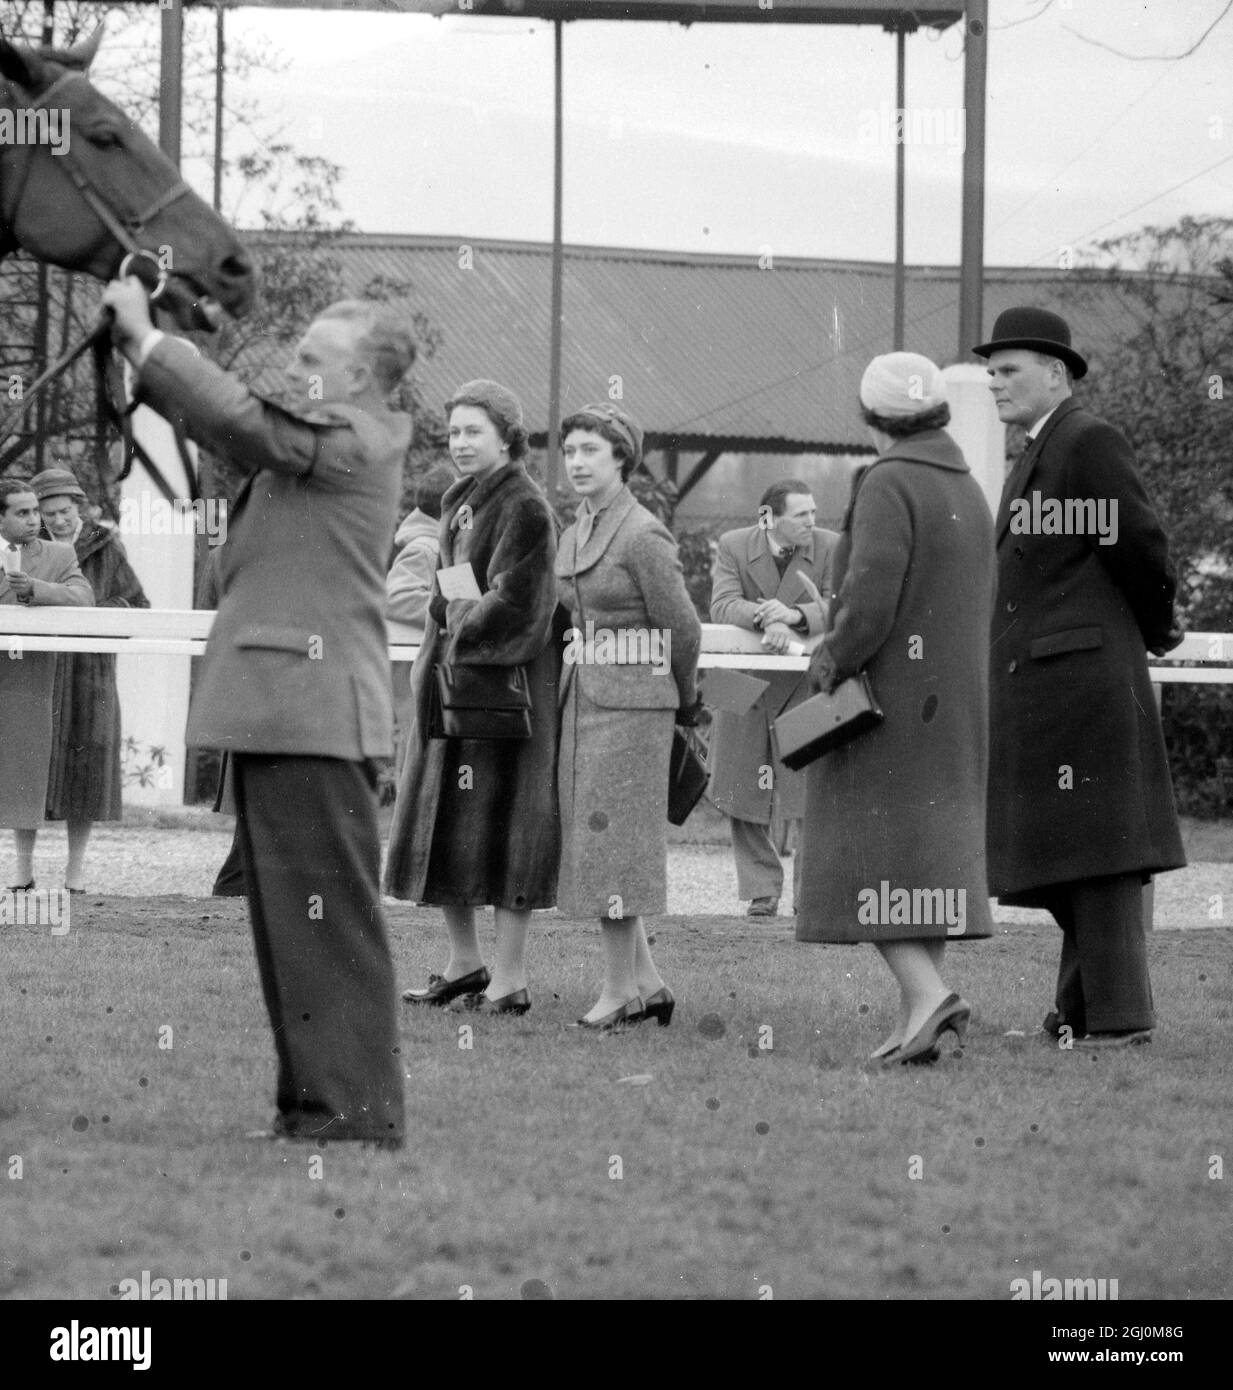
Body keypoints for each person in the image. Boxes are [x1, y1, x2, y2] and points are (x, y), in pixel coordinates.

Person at [102, 279, 414, 1146]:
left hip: (315, 714)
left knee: (327, 927)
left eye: (313, 359)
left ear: (362, 376)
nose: (295, 368)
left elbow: (241, 420)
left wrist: (150, 344)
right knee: (291, 930)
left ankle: (353, 1114)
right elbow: (234, 417)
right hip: (292, 711)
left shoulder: (357, 434)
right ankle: (315, 1109)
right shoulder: (328, 435)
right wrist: (150, 347)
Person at [974, 306, 1185, 1049]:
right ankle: (1082, 1011)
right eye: (990, 372)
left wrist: (1156, 632)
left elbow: (1137, 544)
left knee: (1095, 856)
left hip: (1082, 681)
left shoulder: (1083, 440)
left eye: (1009, 370)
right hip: (1048, 681)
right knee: (1076, 852)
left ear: (1055, 373)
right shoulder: (1039, 446)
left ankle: (1120, 1020)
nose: (994, 383)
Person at [796, 353, 994, 1065]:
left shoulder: (886, 483)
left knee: (866, 853)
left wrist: (827, 662)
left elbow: (868, 603)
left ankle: (929, 996)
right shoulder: (966, 486)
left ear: (869, 416)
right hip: (954, 705)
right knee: (924, 865)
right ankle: (919, 1008)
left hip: (886, 707)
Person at [384, 381, 560, 1017]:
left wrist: (452, 609)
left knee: (507, 834)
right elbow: (454, 587)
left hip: (502, 697)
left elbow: (521, 609)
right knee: (447, 830)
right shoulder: (461, 501)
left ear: (507, 437)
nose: (459, 443)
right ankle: (464, 966)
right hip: (453, 688)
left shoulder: (526, 508)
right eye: (453, 432)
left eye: (473, 432)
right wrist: (447, 605)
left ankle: (510, 981)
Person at [555, 402, 702, 1031]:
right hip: (583, 703)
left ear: (622, 459)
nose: (578, 462)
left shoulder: (642, 533)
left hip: (635, 712)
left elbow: (684, 627)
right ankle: (648, 984)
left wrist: (686, 701)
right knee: (596, 847)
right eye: (571, 451)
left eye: (592, 450)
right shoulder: (576, 528)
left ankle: (618, 994)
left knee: (613, 850)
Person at [708, 480, 837, 917]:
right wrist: (769, 617)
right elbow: (722, 604)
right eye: (801, 515)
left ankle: (811, 893)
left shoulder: (831, 546)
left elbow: (841, 604)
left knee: (810, 791)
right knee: (740, 785)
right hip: (740, 680)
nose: (812, 522)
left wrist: (796, 615)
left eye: (814, 512)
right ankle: (761, 890)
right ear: (769, 516)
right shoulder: (733, 545)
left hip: (805, 683)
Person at [19, 468, 149, 894]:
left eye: (64, 510)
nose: (57, 520)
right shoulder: (23, 550)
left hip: (89, 671)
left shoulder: (106, 546)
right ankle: (23, 870)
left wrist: (92, 616)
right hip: (37, 669)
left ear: (80, 506)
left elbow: (136, 603)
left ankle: (75, 873)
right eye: (47, 513)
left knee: (86, 771)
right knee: (29, 768)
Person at [2, 478, 94, 888]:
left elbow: (83, 597)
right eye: (22, 513)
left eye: (34, 511)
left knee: (25, 769)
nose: (34, 520)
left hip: (28, 678)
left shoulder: (59, 554)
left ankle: (23, 875)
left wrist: (36, 589)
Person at [386, 463, 453, 777]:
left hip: (426, 668)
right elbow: (397, 597)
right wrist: (450, 609)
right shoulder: (424, 548)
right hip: (416, 670)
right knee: (416, 752)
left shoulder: (438, 545)